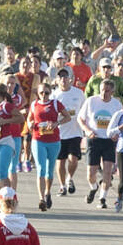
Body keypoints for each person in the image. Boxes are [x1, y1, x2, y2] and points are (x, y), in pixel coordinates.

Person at [77, 76, 122, 209]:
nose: (104, 93)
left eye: (107, 91)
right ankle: (94, 187)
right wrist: (87, 130)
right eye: (102, 90)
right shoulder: (91, 101)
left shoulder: (116, 105)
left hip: (109, 140)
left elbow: (121, 123)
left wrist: (117, 135)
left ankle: (102, 198)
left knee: (107, 171)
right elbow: (80, 119)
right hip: (94, 139)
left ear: (112, 92)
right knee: (91, 173)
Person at [27, 80, 62, 212]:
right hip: (38, 140)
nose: (44, 95)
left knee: (49, 170)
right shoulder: (34, 104)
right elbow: (30, 118)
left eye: (46, 93)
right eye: (41, 93)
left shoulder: (55, 103)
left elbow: (67, 117)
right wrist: (30, 124)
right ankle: (41, 199)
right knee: (41, 168)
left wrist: (56, 123)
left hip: (53, 141)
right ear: (38, 93)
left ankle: (48, 192)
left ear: (50, 93)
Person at [52, 65, 86, 197]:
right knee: (60, 161)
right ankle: (62, 186)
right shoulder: (54, 95)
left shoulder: (78, 93)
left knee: (73, 159)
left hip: (75, 132)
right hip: (59, 132)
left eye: (65, 77)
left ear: (70, 79)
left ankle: (69, 178)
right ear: (57, 80)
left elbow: (83, 111)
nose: (63, 79)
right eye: (60, 77)